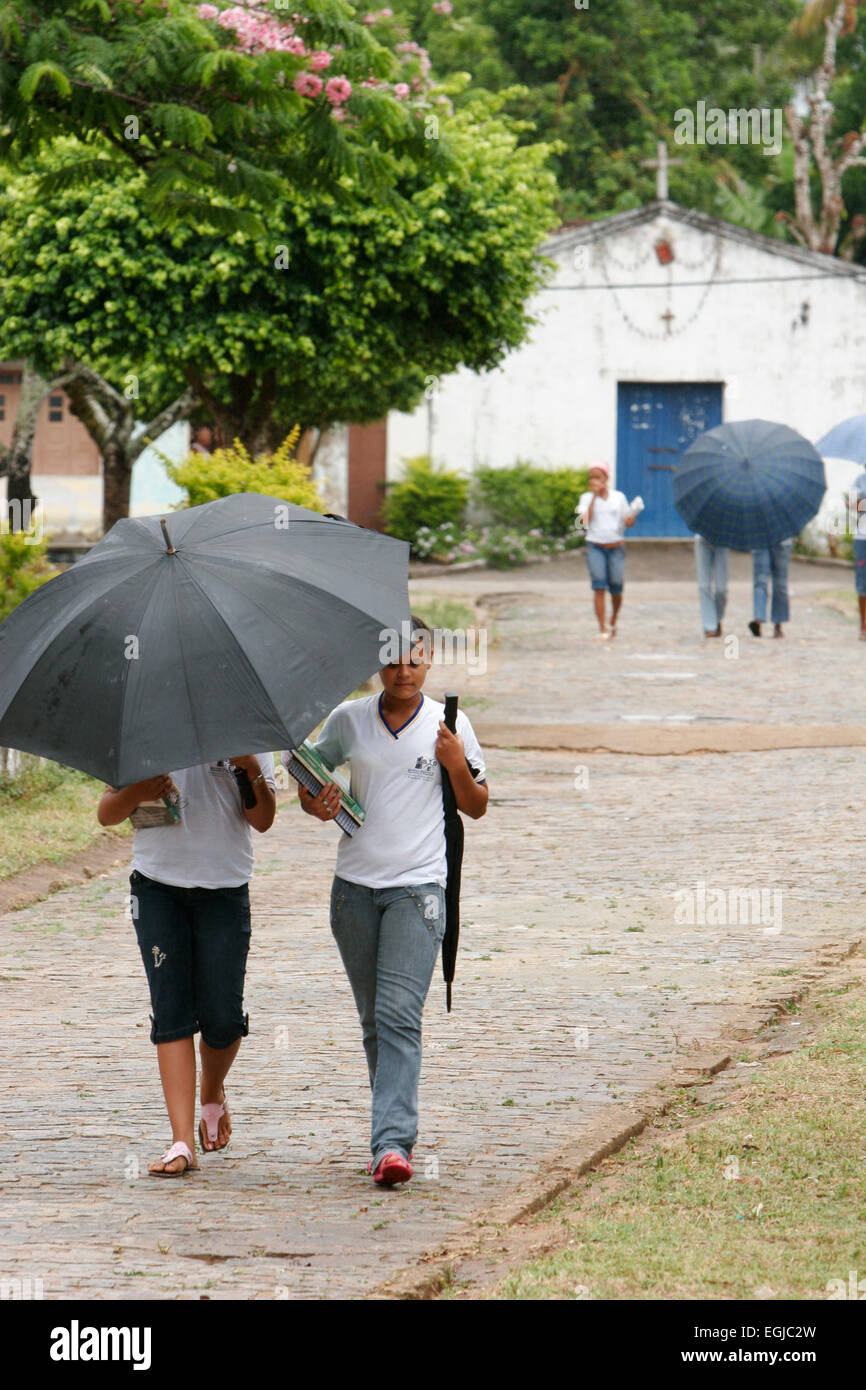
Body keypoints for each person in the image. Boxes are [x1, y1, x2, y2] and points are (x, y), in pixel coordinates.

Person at [291, 617, 488, 1188]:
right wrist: (319, 802)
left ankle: (391, 1144)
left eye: (415, 659)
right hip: (353, 891)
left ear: (430, 659)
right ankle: (389, 1135)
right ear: (376, 663)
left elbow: (475, 806)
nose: (404, 671)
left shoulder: (450, 725)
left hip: (420, 889)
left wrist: (453, 763)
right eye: (393, 660)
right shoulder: (349, 719)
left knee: (400, 1015)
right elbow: (312, 781)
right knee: (375, 1020)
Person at [97, 754, 276, 1176]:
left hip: (225, 888)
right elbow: (107, 813)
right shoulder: (146, 728)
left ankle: (212, 1092)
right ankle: (181, 1142)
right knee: (171, 1011)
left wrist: (249, 769)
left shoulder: (244, 728)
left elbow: (264, 819)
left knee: (223, 1018)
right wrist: (138, 792)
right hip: (156, 886)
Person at [576, 462, 638, 639]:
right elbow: (583, 523)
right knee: (598, 586)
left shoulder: (618, 497)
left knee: (617, 588)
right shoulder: (586, 498)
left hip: (615, 546)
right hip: (595, 546)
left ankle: (614, 618)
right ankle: (602, 627)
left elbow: (628, 522)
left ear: (606, 478)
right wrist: (594, 498)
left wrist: (632, 516)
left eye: (598, 477)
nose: (594, 481)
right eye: (591, 477)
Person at [748, 538, 793, 638]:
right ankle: (758, 620)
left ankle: (778, 623)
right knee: (760, 581)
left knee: (780, 583)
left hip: (783, 540)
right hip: (759, 538)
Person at [694, 533, 729, 638]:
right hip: (702, 538)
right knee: (704, 585)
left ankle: (717, 618)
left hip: (722, 540)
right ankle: (710, 626)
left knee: (721, 589)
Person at [850, 469, 866, 640]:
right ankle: (863, 625)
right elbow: (850, 503)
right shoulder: (860, 479)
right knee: (862, 582)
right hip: (862, 537)